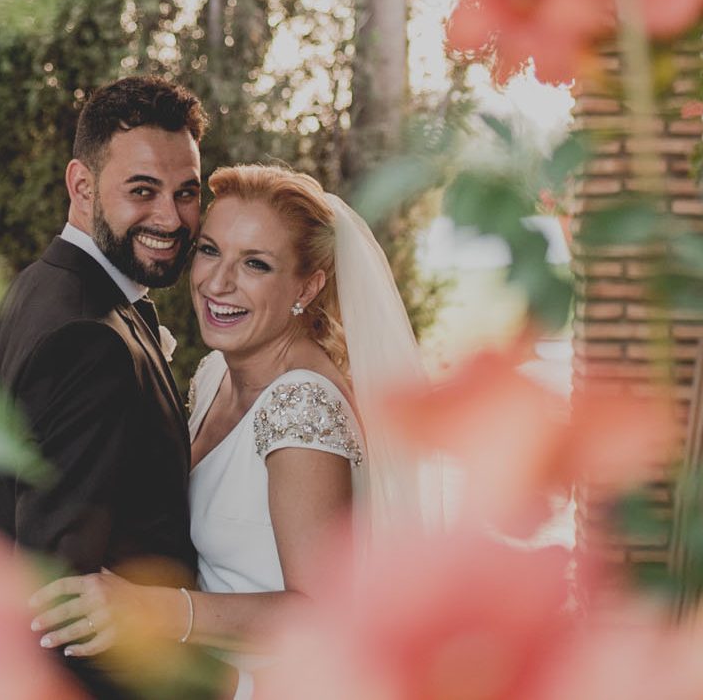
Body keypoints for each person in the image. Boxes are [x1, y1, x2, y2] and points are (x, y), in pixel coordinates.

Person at [29, 163, 436, 699]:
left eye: (256, 264)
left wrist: (151, 609)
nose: (217, 283)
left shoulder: (301, 405)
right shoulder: (218, 372)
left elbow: (323, 615)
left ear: (308, 286)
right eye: (210, 250)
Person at [0, 76, 209, 699]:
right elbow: (61, 607)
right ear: (81, 186)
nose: (171, 217)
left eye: (187, 193)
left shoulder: (39, 289)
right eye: (142, 190)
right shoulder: (88, 340)